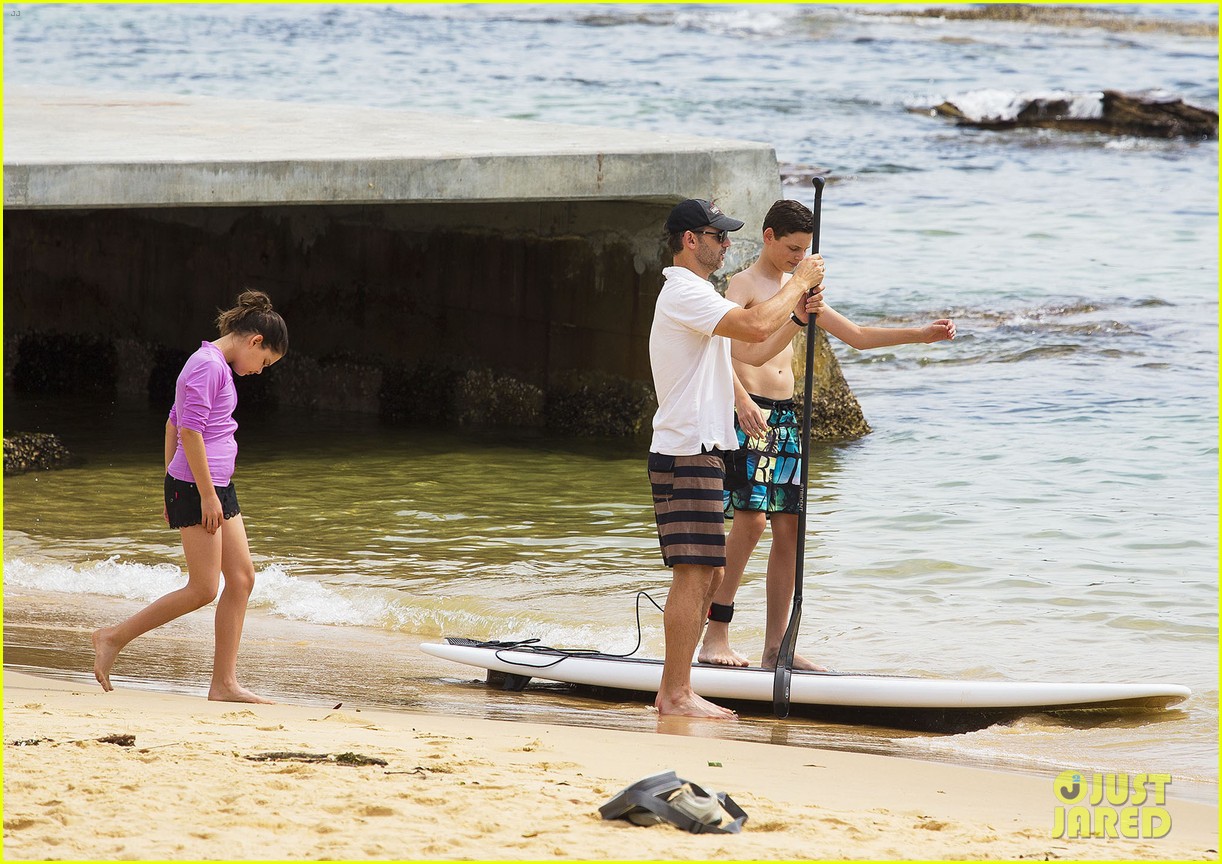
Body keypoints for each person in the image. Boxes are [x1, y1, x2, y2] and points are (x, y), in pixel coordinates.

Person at [698, 199, 956, 671]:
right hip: (748, 413)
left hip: (785, 418)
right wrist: (739, 400)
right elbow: (715, 348)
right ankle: (716, 633)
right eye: (792, 248)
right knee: (750, 522)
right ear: (769, 236)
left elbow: (855, 335)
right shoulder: (744, 284)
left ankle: (777, 647)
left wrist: (920, 335)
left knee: (790, 530)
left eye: (806, 251)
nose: (799, 258)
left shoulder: (800, 292)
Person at [647, 198, 825, 719]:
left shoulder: (696, 294)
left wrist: (794, 311)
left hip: (704, 449)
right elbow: (751, 328)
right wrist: (798, 283)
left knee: (706, 568)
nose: (726, 244)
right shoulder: (684, 290)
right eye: (717, 236)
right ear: (690, 240)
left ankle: (679, 687)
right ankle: (674, 693)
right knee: (694, 570)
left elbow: (748, 350)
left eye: (727, 237)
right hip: (684, 449)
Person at [92, 290, 289, 703]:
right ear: (255, 341)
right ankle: (113, 637)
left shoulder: (214, 365)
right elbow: (189, 432)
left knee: (241, 578)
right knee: (203, 589)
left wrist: (177, 482)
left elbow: (171, 423)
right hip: (202, 488)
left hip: (212, 486)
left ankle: (224, 684)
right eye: (266, 362)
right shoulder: (206, 367)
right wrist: (198, 493)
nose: (260, 371)